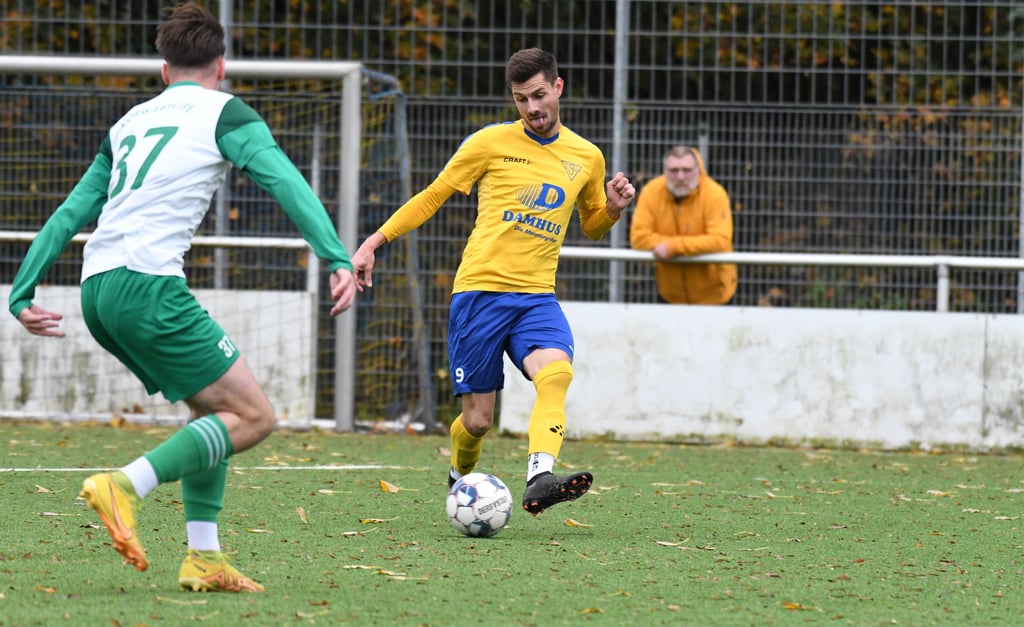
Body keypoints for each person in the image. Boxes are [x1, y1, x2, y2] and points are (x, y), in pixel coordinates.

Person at [7, 2, 356, 593]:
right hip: (148, 287)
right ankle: (126, 485)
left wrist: (22, 290)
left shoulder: (128, 123)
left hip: (98, 289)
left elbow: (72, 212)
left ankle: (204, 557)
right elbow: (286, 183)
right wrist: (336, 254)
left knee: (211, 414)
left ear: (163, 70)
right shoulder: (227, 112)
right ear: (221, 65)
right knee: (254, 416)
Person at [351, 47, 635, 516]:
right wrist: (374, 241)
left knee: (557, 371)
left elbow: (591, 224)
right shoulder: (489, 143)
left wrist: (613, 209)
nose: (532, 109)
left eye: (539, 95)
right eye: (521, 99)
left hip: (536, 297)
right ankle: (461, 473)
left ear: (558, 87)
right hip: (480, 294)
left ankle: (540, 475)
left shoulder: (587, 156)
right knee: (477, 422)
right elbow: (432, 196)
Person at [629, 145, 737, 304]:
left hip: (716, 295)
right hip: (670, 295)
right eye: (674, 170)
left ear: (698, 170)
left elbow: (720, 240)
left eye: (686, 170)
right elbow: (639, 238)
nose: (680, 176)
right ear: (664, 171)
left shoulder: (715, 194)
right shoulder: (651, 192)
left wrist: (672, 247)